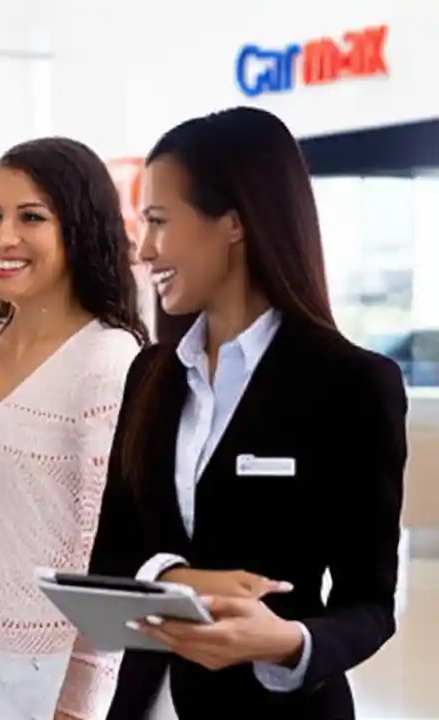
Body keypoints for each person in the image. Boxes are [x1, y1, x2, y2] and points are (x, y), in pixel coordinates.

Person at [86, 106, 408, 718]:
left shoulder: (352, 384)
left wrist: (287, 643)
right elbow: (111, 557)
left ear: (233, 223)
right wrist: (179, 582)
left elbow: (369, 605)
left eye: (158, 221)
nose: (144, 250)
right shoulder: (151, 375)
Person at [0, 137, 149, 720]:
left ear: (79, 230)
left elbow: (109, 549)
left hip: (59, 670)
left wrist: (80, 700)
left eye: (31, 217)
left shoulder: (108, 358)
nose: (2, 237)